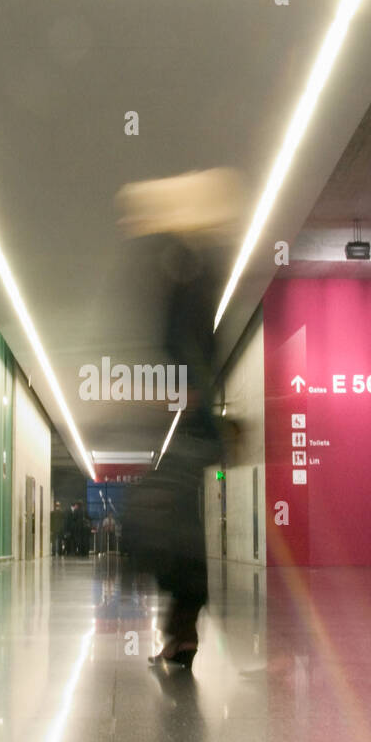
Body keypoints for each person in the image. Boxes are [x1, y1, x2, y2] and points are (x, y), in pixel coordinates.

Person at [115, 168, 239, 670]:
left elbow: (189, 343)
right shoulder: (192, 268)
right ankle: (181, 634)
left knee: (161, 520)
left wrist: (191, 394)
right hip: (198, 417)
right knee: (181, 524)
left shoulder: (189, 268)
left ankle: (181, 631)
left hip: (197, 419)